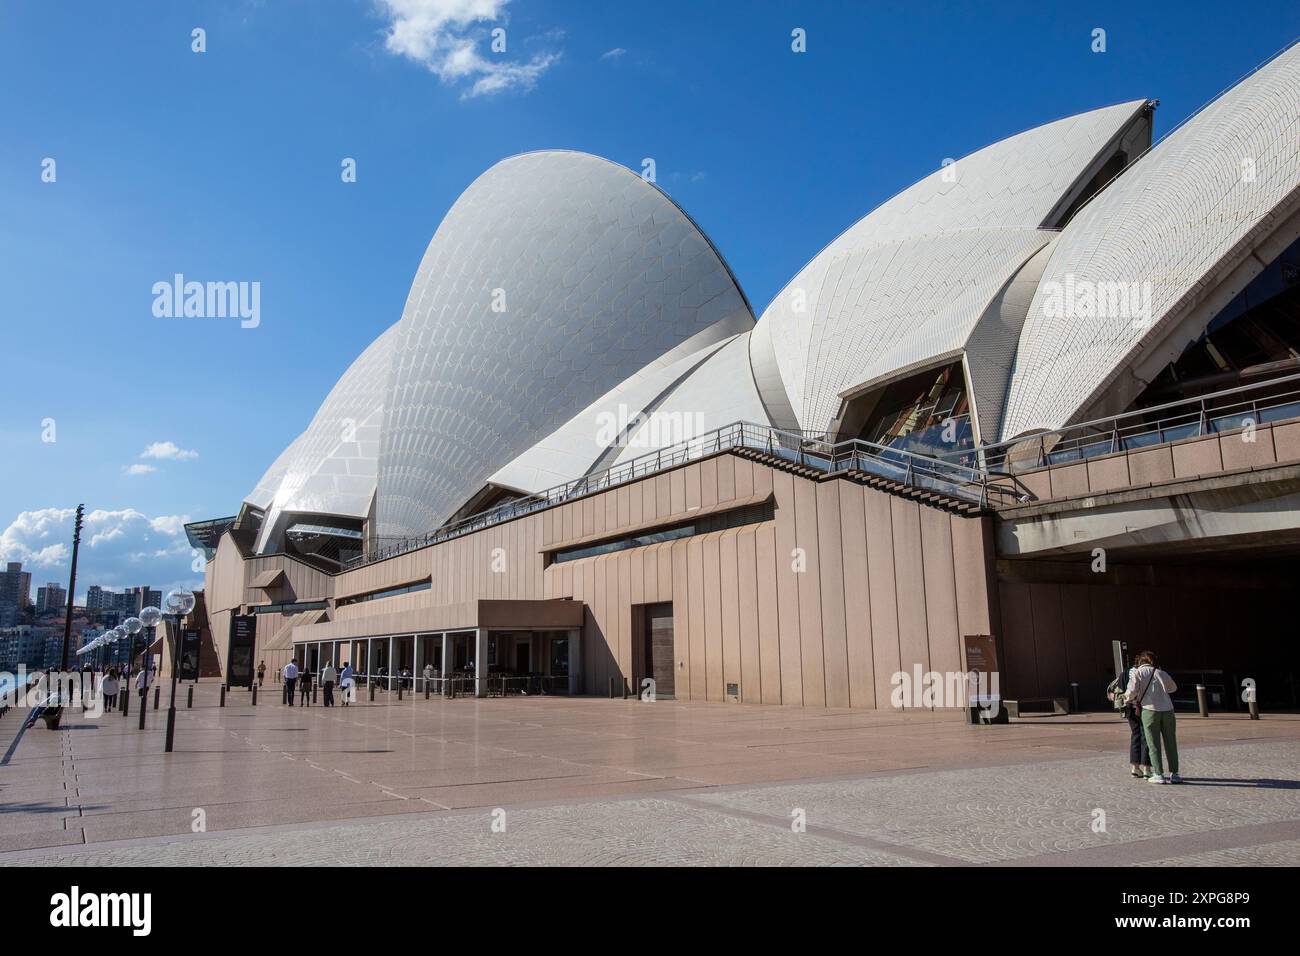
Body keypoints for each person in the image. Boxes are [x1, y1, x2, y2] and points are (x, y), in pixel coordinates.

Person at [1124, 650, 1181, 784]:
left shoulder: (1138, 673)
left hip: (1149, 710)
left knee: (1153, 743)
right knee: (1171, 742)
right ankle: (1175, 773)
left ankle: (1158, 774)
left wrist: (1126, 699)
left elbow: (1131, 692)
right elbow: (1173, 688)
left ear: (1141, 661)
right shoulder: (1161, 672)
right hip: (1168, 710)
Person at [1107, 663, 1150, 778]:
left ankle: (1135, 767)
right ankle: (1147, 768)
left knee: (1135, 735)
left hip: (1128, 708)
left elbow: (1116, 687)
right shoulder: (1142, 673)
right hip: (1141, 706)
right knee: (1146, 735)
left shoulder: (1125, 672)